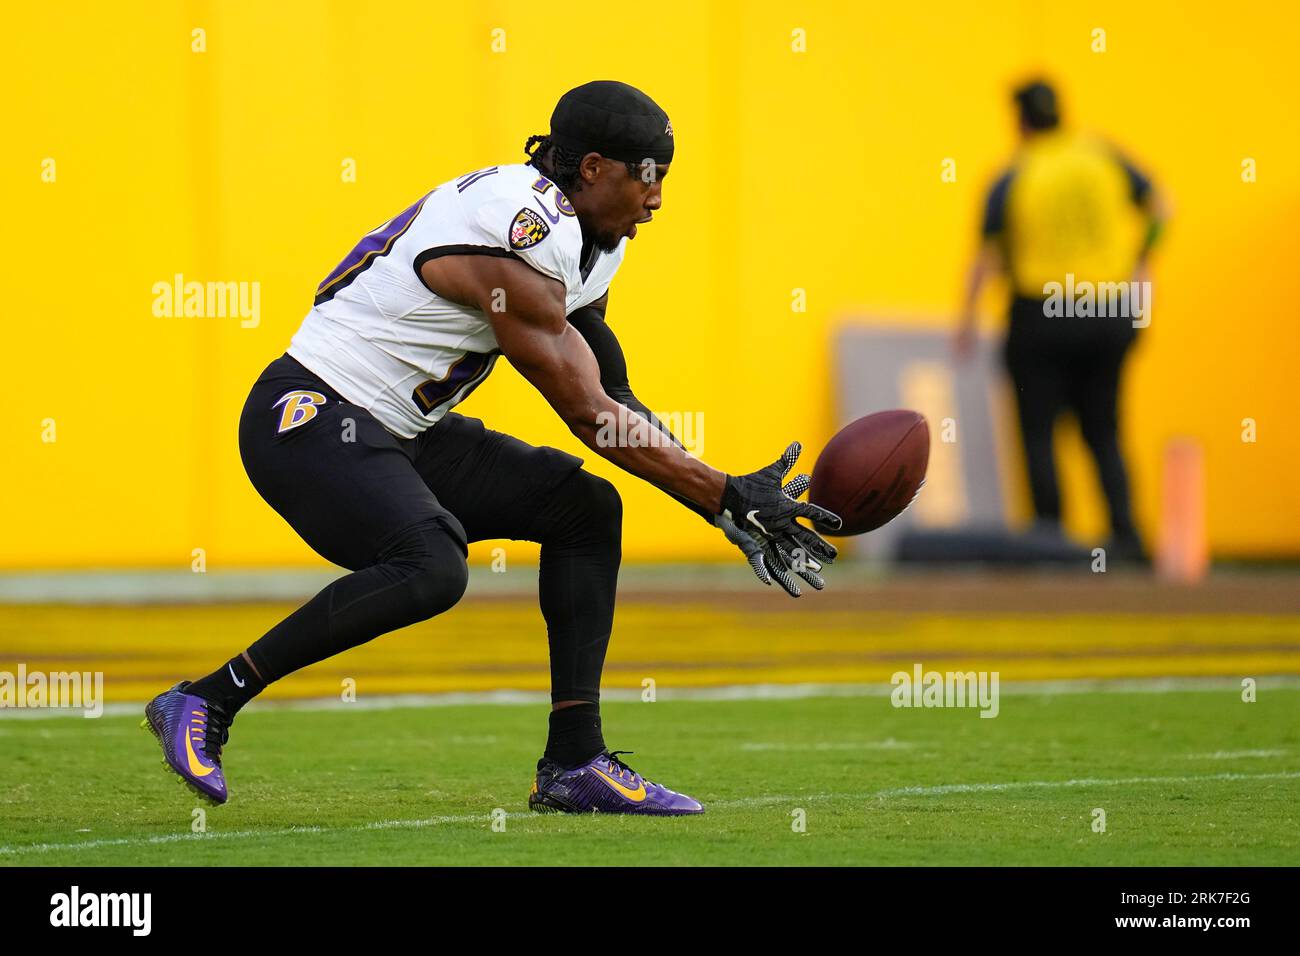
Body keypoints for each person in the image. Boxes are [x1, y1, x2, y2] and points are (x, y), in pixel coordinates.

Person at [142, 80, 841, 815]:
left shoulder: (592, 244)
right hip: (312, 415)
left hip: (404, 430)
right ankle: (206, 700)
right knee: (433, 563)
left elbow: (610, 387)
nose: (658, 197)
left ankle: (575, 764)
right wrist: (725, 492)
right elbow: (587, 413)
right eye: (648, 174)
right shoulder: (521, 229)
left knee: (584, 509)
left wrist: (721, 504)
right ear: (596, 167)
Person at [955, 79, 1167, 560]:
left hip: (1042, 312)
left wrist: (966, 322)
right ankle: (1128, 539)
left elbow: (986, 258)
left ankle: (1050, 541)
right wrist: (1142, 260)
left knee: (1037, 430)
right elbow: (1162, 207)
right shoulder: (1104, 156)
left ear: (1021, 122)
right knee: (1104, 429)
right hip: (1106, 309)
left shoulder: (1016, 173)